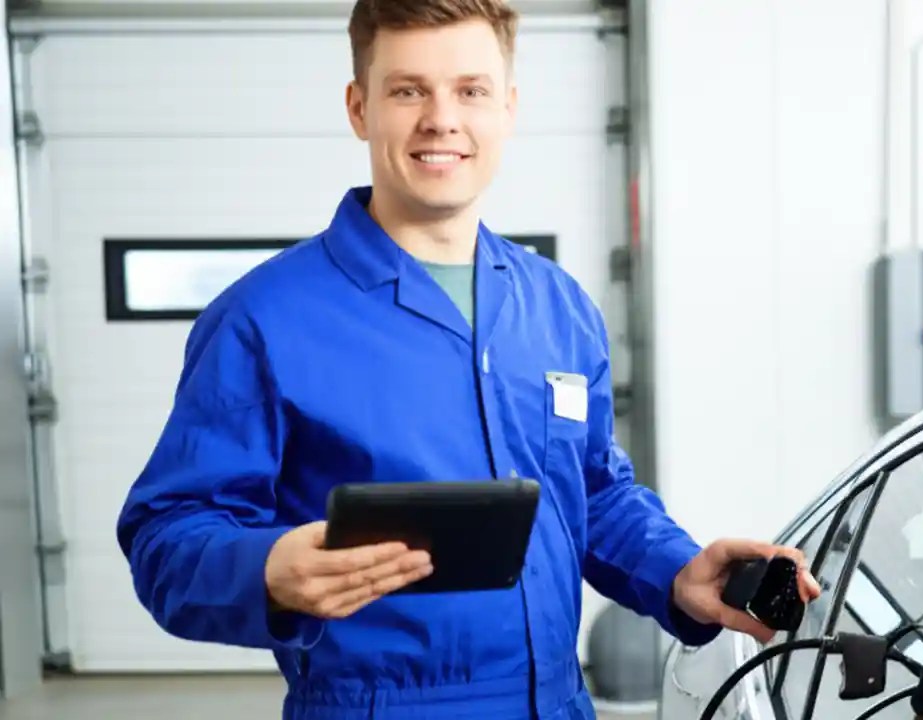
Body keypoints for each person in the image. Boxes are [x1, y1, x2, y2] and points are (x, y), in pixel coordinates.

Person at [115, 0, 820, 718]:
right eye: (408, 89)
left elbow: (594, 494)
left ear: (508, 108)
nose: (442, 118)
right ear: (359, 108)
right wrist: (264, 571)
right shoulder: (264, 319)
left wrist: (678, 572)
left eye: (471, 90)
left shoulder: (558, 306)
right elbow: (167, 537)